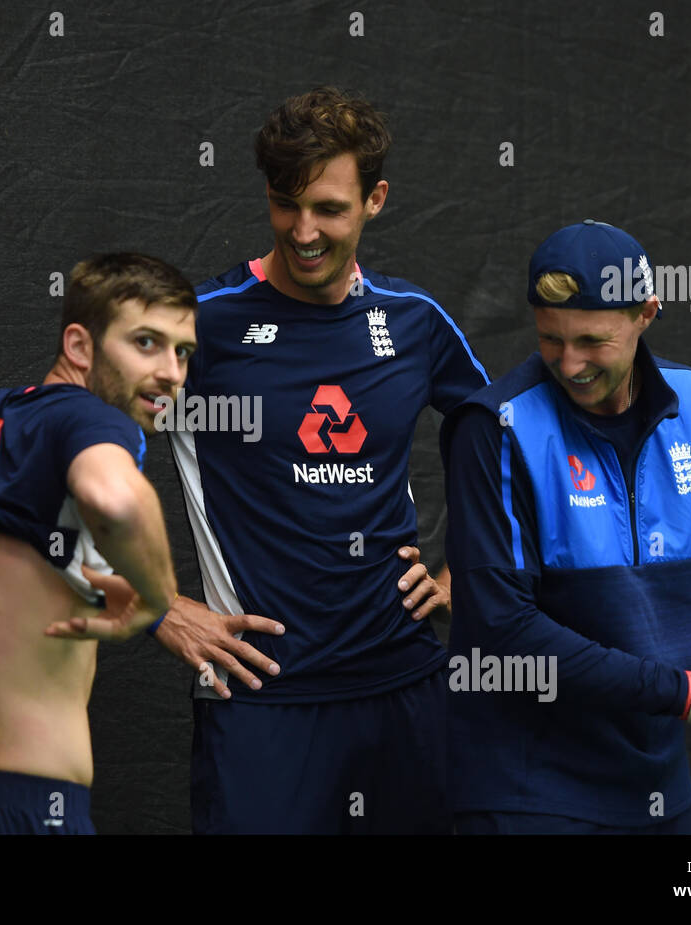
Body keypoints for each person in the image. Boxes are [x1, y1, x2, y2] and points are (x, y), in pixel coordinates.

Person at [157, 87, 490, 833]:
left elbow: (509, 440)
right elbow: (60, 440)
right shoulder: (201, 321)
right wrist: (157, 606)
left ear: (375, 199)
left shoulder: (413, 322)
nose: (302, 232)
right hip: (261, 696)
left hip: (404, 682)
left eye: (329, 209)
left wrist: (463, 569)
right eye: (285, 204)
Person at [441, 219, 691, 834]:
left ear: (647, 312)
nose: (570, 364)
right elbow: (502, 627)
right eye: (550, 340)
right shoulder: (494, 426)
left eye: (592, 341)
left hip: (657, 791)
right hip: (528, 791)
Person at [0, 253, 194, 834]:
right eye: (147, 343)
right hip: (28, 803)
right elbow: (115, 500)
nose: (172, 373)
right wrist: (157, 599)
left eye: (182, 352)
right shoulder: (89, 418)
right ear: (80, 346)